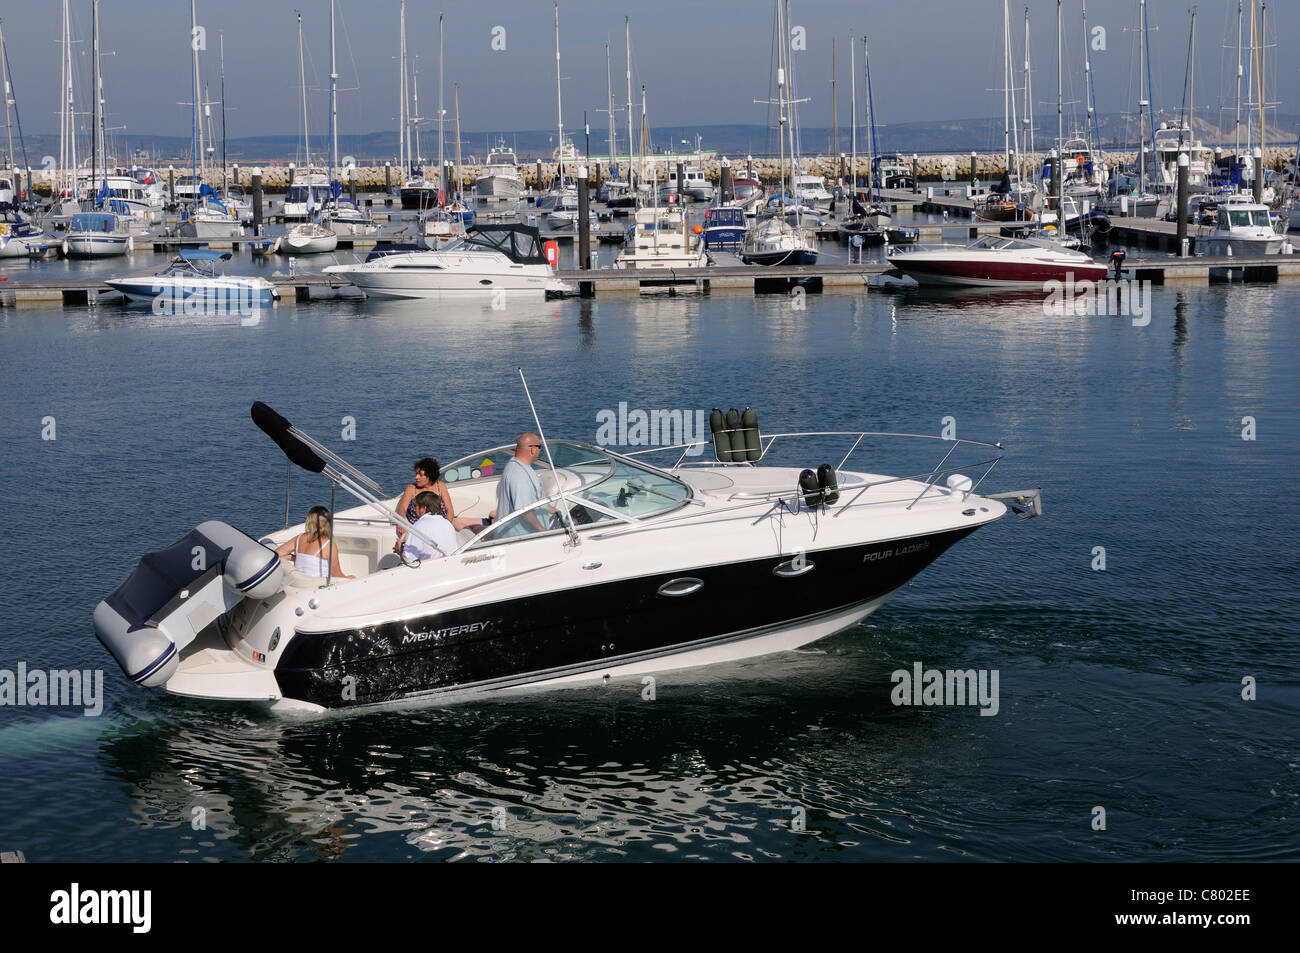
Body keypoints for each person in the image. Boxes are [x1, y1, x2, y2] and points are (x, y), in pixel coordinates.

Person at [394, 457, 479, 553]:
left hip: (440, 523)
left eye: (420, 475)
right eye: (416, 473)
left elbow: (449, 509)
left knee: (461, 527)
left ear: (429, 476)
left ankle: (476, 544)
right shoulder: (411, 488)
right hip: (420, 528)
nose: (416, 477)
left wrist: (445, 526)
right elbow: (402, 508)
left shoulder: (440, 486)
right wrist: (401, 523)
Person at [275, 505, 353, 579]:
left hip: (301, 584)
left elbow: (277, 554)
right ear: (328, 523)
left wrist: (296, 558)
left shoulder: (299, 538)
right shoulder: (329, 545)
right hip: (319, 586)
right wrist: (350, 578)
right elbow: (337, 575)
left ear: (309, 521)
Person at [494, 433, 548, 536]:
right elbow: (524, 510)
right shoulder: (519, 474)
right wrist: (542, 530)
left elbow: (531, 500)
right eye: (540, 447)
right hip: (518, 537)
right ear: (533, 449)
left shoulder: (515, 465)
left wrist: (549, 508)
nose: (540, 450)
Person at [401, 491, 458, 563]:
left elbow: (408, 560)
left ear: (423, 509)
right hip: (450, 563)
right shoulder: (447, 523)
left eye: (415, 506)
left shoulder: (418, 526)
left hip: (429, 569)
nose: (414, 509)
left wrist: (399, 550)